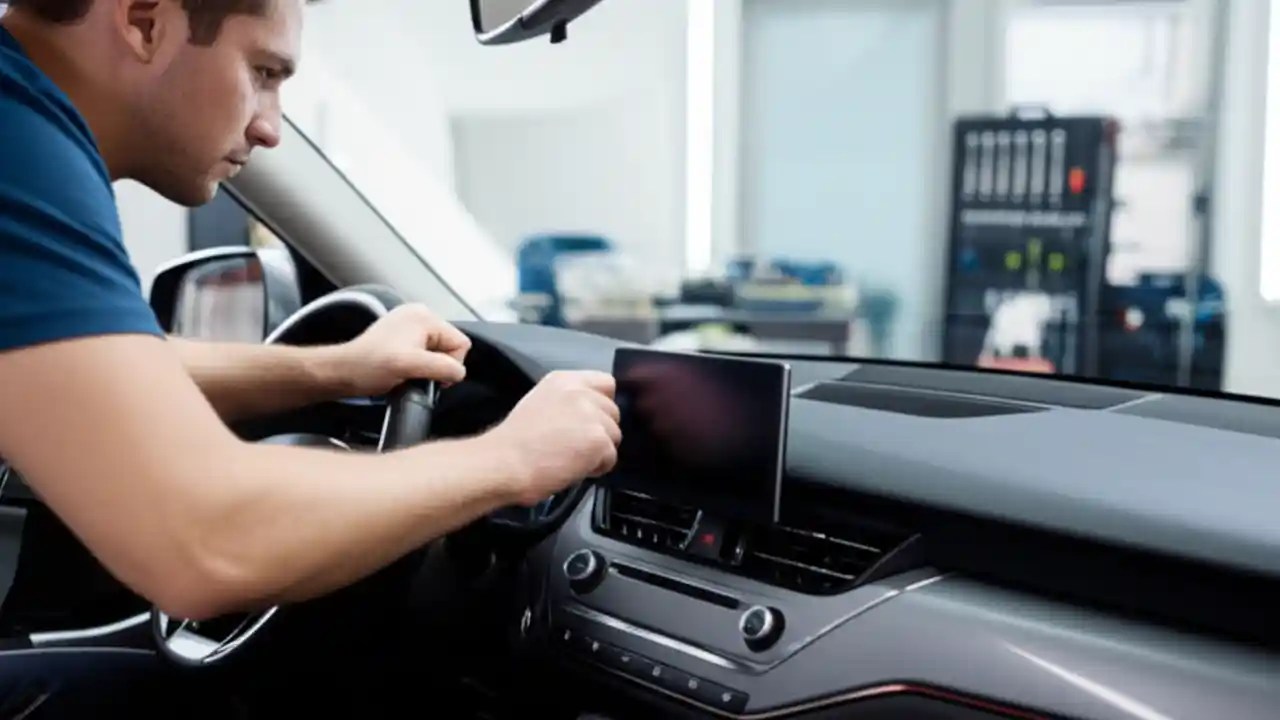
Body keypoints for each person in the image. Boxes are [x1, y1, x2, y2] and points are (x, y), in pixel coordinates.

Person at [0, 0, 621, 622]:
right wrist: (512, 458)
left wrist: (338, 370)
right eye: (264, 74)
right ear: (143, 22)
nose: (271, 127)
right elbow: (206, 541)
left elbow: (90, 373)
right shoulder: (21, 149)